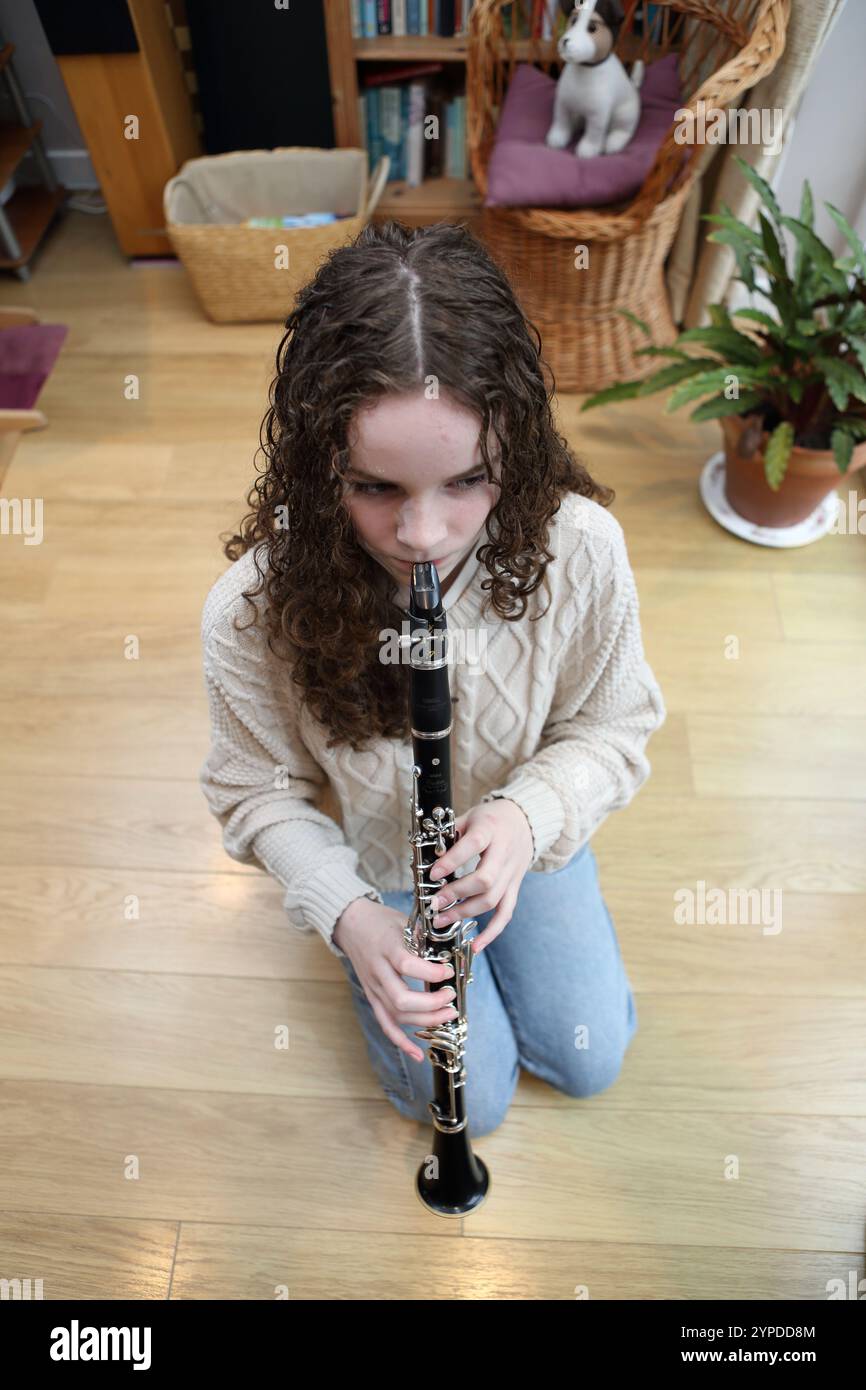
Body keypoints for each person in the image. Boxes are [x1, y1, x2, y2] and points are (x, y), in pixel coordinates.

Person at [199, 219, 666, 1138]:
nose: (421, 534)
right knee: (472, 1103)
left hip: (522, 832)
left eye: (466, 482)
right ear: (317, 457)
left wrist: (531, 818)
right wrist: (351, 918)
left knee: (588, 1058)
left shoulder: (583, 550)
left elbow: (614, 728)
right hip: (385, 870)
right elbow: (254, 792)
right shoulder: (248, 609)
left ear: (515, 449)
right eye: (375, 487)